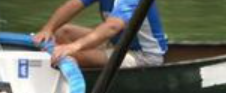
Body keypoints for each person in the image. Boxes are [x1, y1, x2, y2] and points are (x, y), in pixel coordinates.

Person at [32, 0, 167, 70]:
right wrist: (48, 28)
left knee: (69, 55)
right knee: (62, 31)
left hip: (143, 56)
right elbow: (73, 4)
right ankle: (80, 62)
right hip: (115, 43)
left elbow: (113, 26)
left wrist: (73, 47)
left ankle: (78, 65)